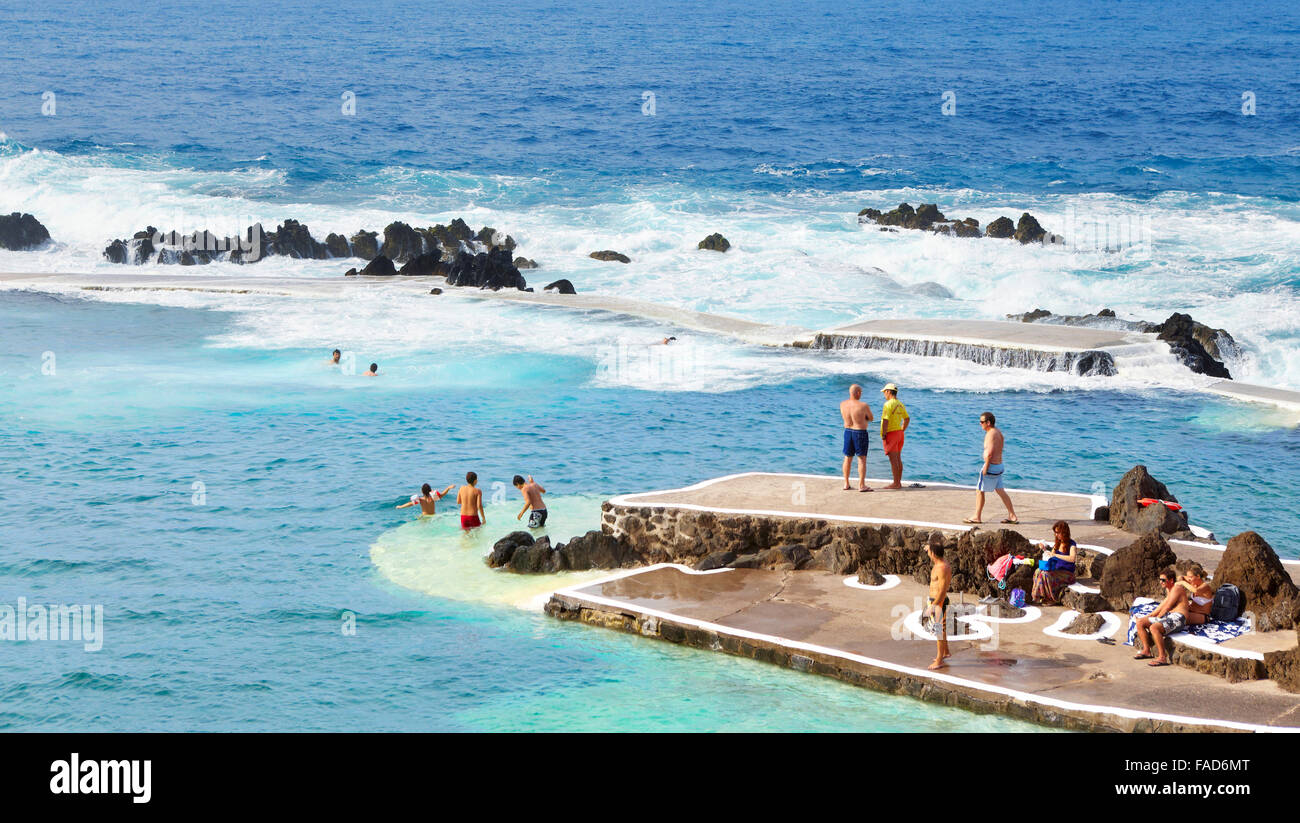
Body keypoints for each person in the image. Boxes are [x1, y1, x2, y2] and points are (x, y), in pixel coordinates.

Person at [965, 411, 1018, 524]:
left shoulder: (990, 434)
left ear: (988, 423)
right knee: (1001, 491)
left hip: (991, 467)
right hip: (999, 466)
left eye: (982, 422)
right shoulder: (998, 432)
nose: (980, 424)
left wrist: (986, 467)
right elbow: (1001, 447)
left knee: (979, 491)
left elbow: (989, 453)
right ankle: (1012, 516)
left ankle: (977, 517)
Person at [1133, 567, 1189, 666]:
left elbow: (1167, 607)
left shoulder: (1177, 588)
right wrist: (1150, 616)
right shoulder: (1169, 590)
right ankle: (1146, 650)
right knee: (1140, 622)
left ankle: (1162, 657)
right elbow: (1162, 605)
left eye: (1163, 580)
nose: (1161, 582)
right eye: (1160, 580)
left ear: (1171, 580)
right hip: (1169, 617)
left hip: (1178, 618)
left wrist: (1157, 618)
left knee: (1154, 627)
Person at [1031, 520, 1077, 605]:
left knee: (1046, 574)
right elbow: (1050, 555)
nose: (1056, 535)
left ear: (1064, 532)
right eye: (1055, 532)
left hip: (1067, 573)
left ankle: (1051, 598)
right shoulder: (1057, 543)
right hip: (1057, 570)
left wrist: (1056, 555)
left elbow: (1072, 558)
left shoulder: (1071, 544)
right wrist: (1044, 549)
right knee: (1038, 571)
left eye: (1058, 532)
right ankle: (1037, 596)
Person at [839, 384, 874, 492]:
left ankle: (846, 483)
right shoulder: (863, 405)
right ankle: (862, 485)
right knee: (862, 459)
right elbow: (871, 418)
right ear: (858, 393)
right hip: (860, 432)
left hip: (848, 432)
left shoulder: (842, 404)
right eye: (861, 392)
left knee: (847, 458)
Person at [924, 538, 952, 670]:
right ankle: (946, 652)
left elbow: (942, 591)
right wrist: (929, 546)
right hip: (935, 601)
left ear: (933, 554)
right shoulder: (939, 563)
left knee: (939, 633)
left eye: (929, 551)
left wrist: (933, 606)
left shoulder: (942, 568)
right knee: (941, 630)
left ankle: (939, 660)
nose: (927, 552)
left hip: (938, 602)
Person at [879, 383, 909, 489]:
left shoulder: (888, 404)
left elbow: (886, 420)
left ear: (888, 392)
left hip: (891, 433)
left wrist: (883, 434)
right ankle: (898, 482)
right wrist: (902, 429)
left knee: (893, 460)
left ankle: (896, 483)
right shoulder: (900, 404)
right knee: (898, 459)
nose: (884, 395)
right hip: (899, 434)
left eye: (884, 392)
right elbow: (907, 419)